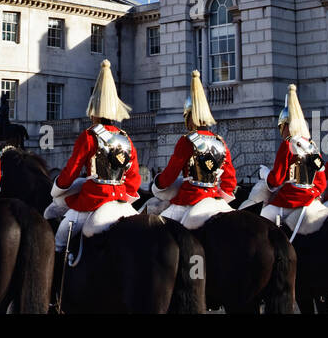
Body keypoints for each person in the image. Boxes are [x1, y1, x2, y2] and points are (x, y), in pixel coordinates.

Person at [45, 59, 142, 260]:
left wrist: (59, 187)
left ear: (94, 110)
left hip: (94, 199)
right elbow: (134, 178)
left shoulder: (89, 136)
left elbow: (71, 171)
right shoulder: (125, 138)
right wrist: (123, 194)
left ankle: (60, 279)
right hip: (122, 199)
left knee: (62, 235)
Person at [148, 70, 236, 230]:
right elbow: (230, 181)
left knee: (158, 228)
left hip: (191, 199)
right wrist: (218, 197)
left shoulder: (186, 141)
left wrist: (158, 183)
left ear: (189, 117)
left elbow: (169, 176)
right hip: (215, 199)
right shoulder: (220, 141)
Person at [240, 84, 328, 238]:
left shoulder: (288, 144)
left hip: (291, 200)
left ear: (286, 125)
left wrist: (265, 173)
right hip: (312, 198)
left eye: (282, 126)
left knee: (257, 220)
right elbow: (322, 183)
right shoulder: (312, 146)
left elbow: (276, 180)